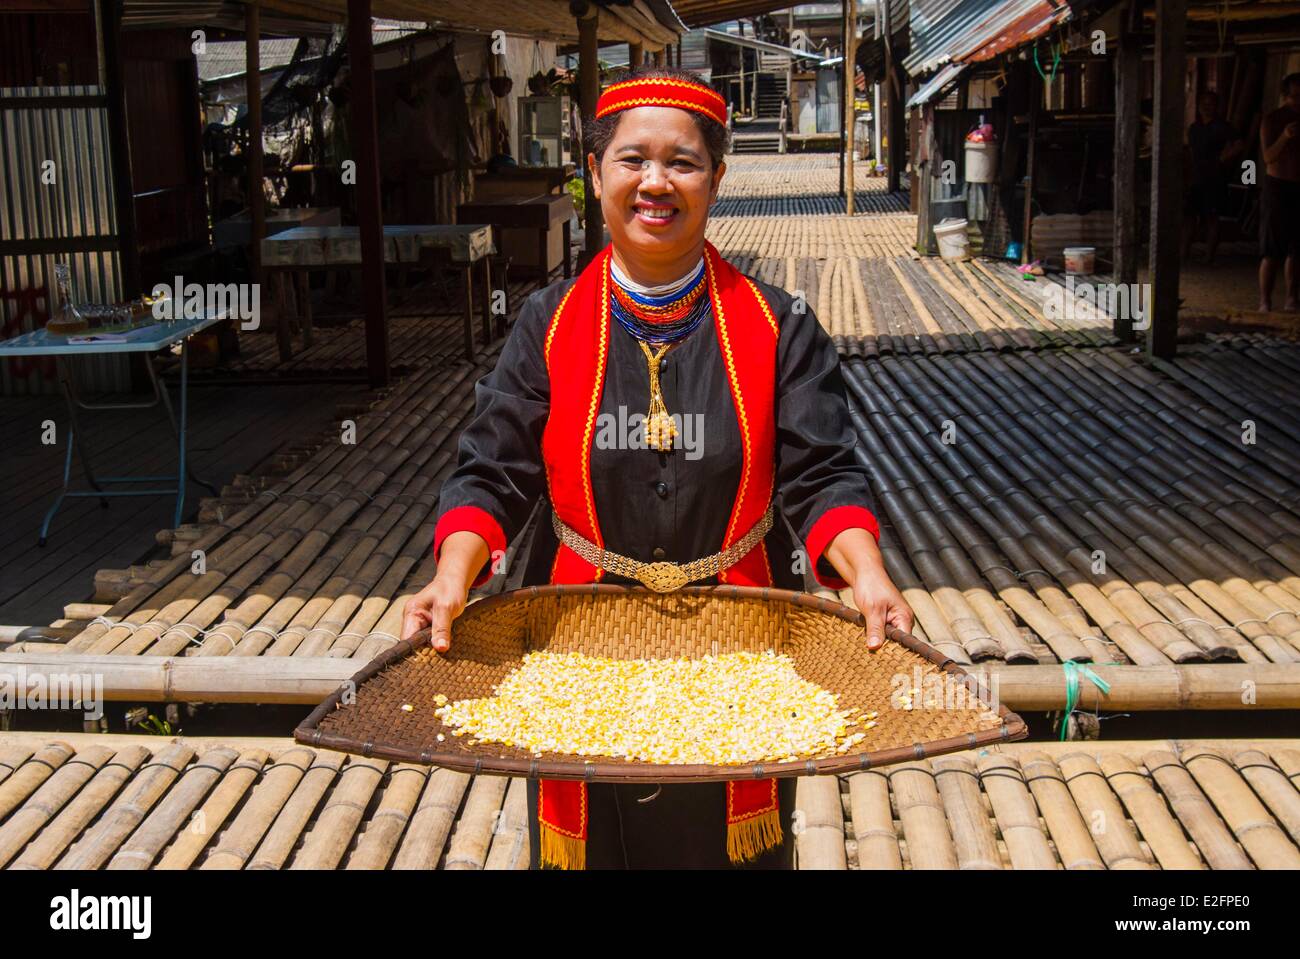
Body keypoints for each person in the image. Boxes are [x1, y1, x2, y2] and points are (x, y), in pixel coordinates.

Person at [401, 66, 913, 870]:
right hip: (578, 642)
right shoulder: (548, 322)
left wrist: (868, 574)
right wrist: (454, 577)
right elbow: (492, 467)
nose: (656, 182)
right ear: (595, 172)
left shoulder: (781, 326)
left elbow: (823, 475)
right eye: (633, 159)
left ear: (717, 178)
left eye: (683, 161)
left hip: (743, 645)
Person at [1182, 91, 1242, 264]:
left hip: (1215, 178)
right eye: (1203, 104)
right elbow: (1191, 152)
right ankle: (1184, 252)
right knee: (1189, 216)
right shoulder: (1194, 128)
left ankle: (1209, 256)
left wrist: (1223, 158)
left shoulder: (1222, 127)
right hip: (1196, 178)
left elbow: (1239, 144)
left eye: (1210, 104)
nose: (1206, 108)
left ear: (1216, 107)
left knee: (1211, 217)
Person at [1259, 73, 1300, 312]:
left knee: (1297, 248)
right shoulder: (1273, 119)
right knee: (1272, 249)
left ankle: (1292, 297)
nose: (1298, 101)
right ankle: (1265, 299)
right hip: (1278, 185)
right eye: (1294, 96)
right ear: (1284, 96)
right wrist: (1285, 137)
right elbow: (1267, 157)